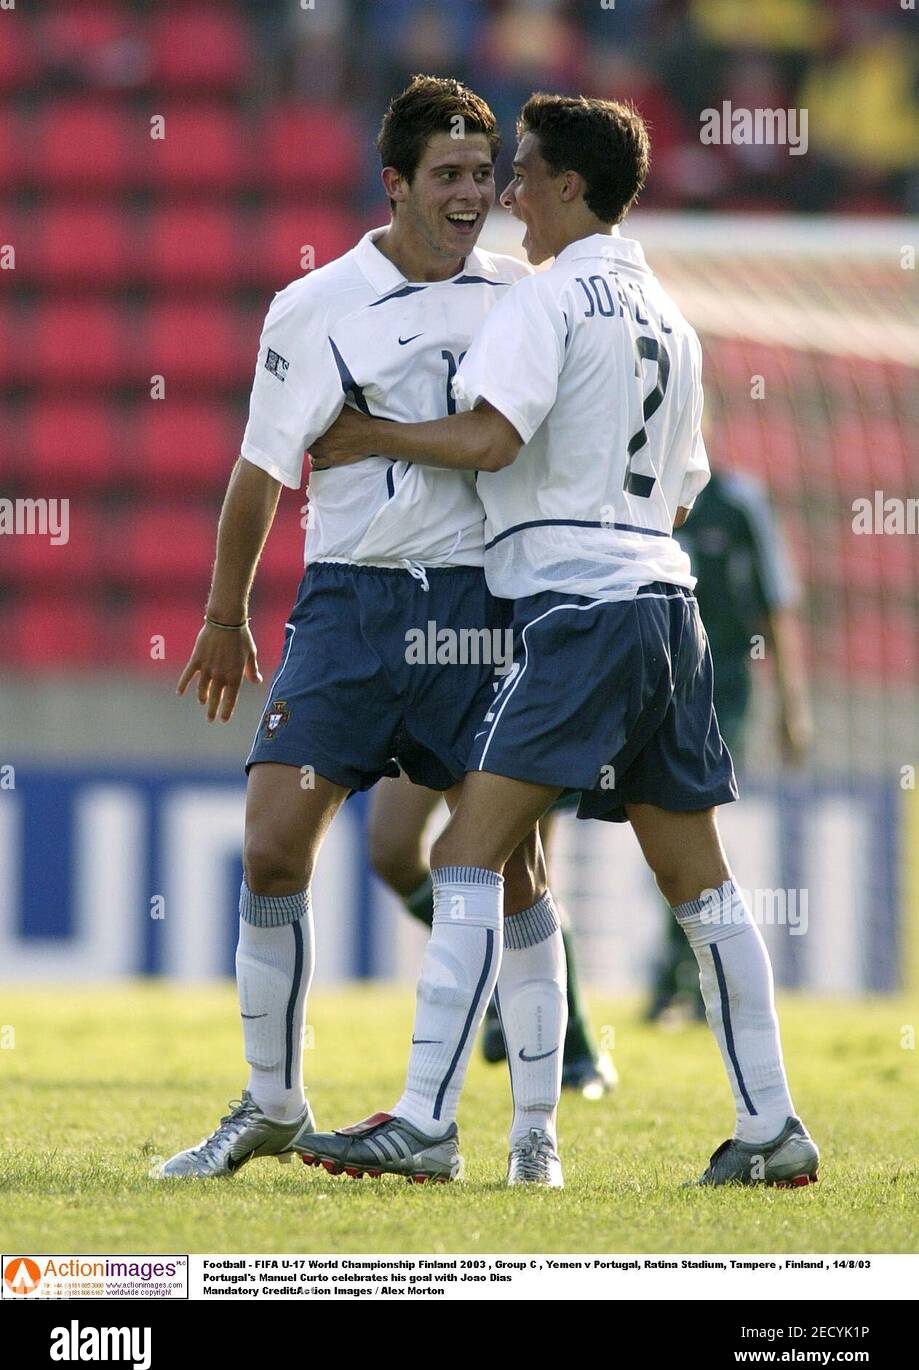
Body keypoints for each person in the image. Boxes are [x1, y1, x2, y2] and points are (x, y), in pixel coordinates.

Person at [301, 93, 819, 1188]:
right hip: (664, 614)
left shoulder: (547, 299)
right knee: (704, 890)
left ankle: (427, 1123)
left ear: (569, 185)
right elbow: (684, 494)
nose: (504, 193)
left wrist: (365, 436)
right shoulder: (669, 320)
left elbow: (490, 439)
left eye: (521, 171)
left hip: (577, 614)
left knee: (464, 854)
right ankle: (771, 1122)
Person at [156, 76, 568, 1183]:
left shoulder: (524, 294)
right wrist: (221, 612)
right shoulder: (315, 304)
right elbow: (258, 468)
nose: (473, 193)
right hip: (349, 600)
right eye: (449, 175)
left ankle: (535, 1132)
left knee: (517, 862)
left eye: (485, 173)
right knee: (271, 841)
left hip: (479, 601)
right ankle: (272, 1101)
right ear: (394, 185)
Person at [647, 462, 813, 1022]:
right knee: (663, 823)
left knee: (697, 817)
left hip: (723, 690)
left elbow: (777, 602)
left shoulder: (739, 502)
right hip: (652, 684)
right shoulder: (643, 492)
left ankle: (683, 978)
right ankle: (684, 973)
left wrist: (793, 704)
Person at [369, 774, 617, 1096]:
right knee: (392, 851)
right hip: (431, 721)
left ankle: (574, 1051)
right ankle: (503, 982)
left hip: (516, 726)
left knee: (524, 874)